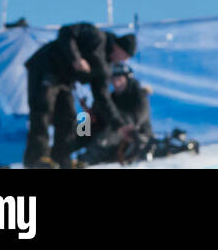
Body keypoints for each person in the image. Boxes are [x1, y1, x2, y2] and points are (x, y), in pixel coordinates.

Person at [22, 23, 135, 168]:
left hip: (64, 80)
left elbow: (103, 98)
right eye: (125, 55)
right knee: (43, 108)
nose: (123, 60)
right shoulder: (96, 36)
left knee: (68, 116)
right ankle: (36, 159)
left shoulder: (104, 67)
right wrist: (75, 58)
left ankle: (61, 159)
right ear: (119, 47)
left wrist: (119, 125)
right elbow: (66, 32)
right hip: (45, 66)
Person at [77, 63, 153, 165]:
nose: (116, 83)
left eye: (119, 79)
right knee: (84, 123)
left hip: (134, 135)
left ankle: (85, 160)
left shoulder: (139, 95)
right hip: (114, 137)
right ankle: (61, 153)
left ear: (127, 79)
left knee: (114, 127)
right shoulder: (112, 97)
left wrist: (115, 120)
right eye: (114, 80)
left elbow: (137, 118)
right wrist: (93, 114)